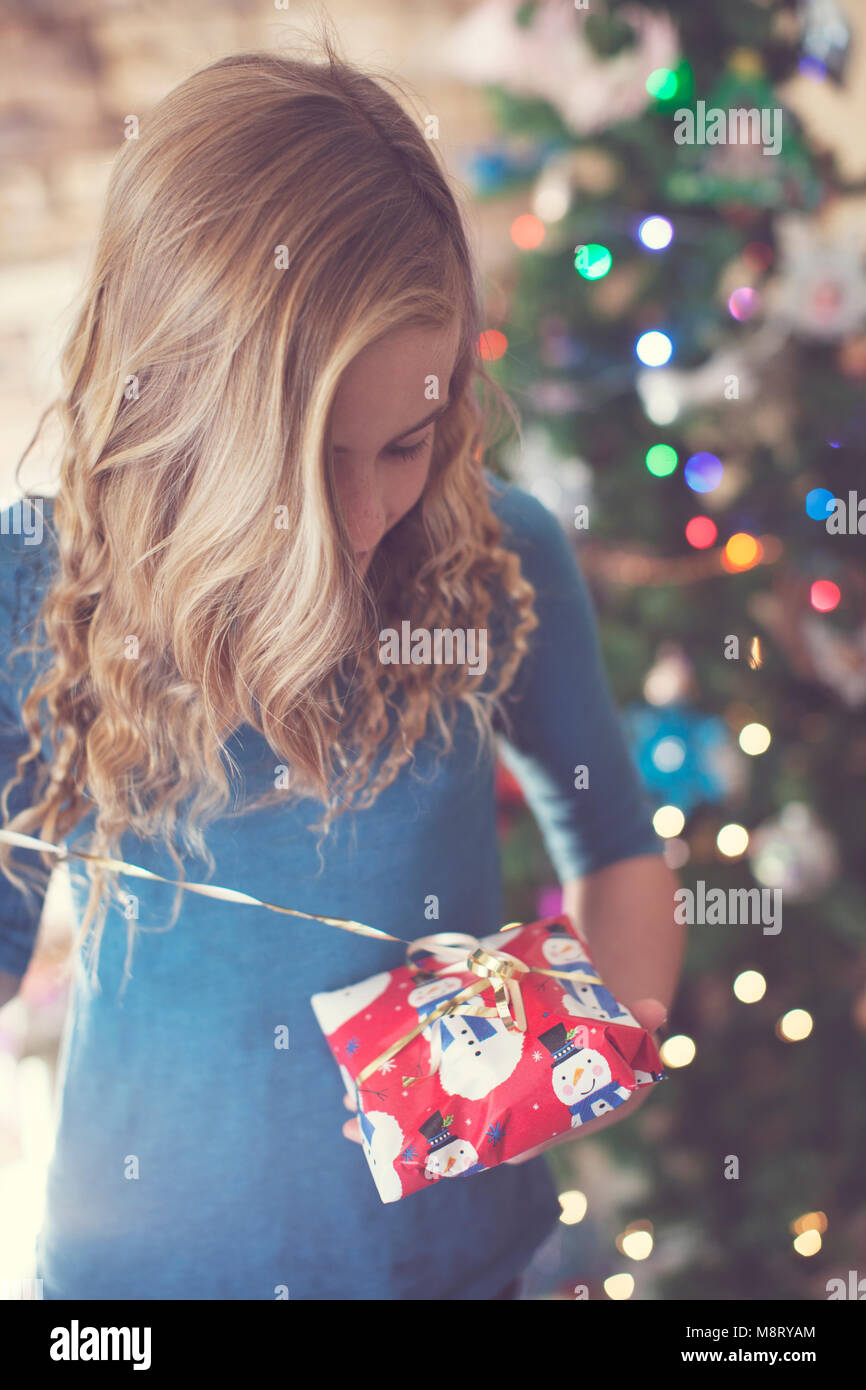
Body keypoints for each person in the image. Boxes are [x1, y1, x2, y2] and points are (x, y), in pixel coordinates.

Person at [0, 37, 683, 1301]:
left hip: (476, 1267)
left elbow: (617, 850)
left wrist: (597, 1040)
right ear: (183, 419)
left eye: (407, 444)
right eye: (314, 466)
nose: (367, 516)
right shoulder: (42, 587)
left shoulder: (496, 562)